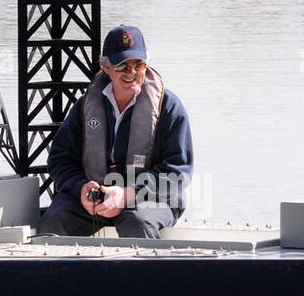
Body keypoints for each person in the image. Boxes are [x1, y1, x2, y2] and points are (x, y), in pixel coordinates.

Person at [38, 24, 193, 239]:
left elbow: (178, 172)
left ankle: (145, 272)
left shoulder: (169, 108)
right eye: (122, 65)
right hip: (96, 198)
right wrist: (81, 188)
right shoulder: (85, 107)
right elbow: (60, 159)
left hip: (151, 199)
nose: (131, 73)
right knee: (55, 218)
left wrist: (127, 194)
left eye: (138, 65)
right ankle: (60, 272)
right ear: (106, 67)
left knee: (137, 221)